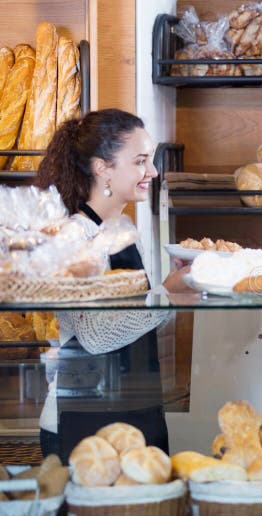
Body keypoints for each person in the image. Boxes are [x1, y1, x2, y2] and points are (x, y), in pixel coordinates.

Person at [35, 109, 190, 461]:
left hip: (132, 410)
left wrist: (175, 290)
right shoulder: (75, 235)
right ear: (102, 167)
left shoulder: (119, 231)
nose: (151, 171)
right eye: (140, 161)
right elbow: (95, 336)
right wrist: (167, 295)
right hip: (82, 422)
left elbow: (131, 321)